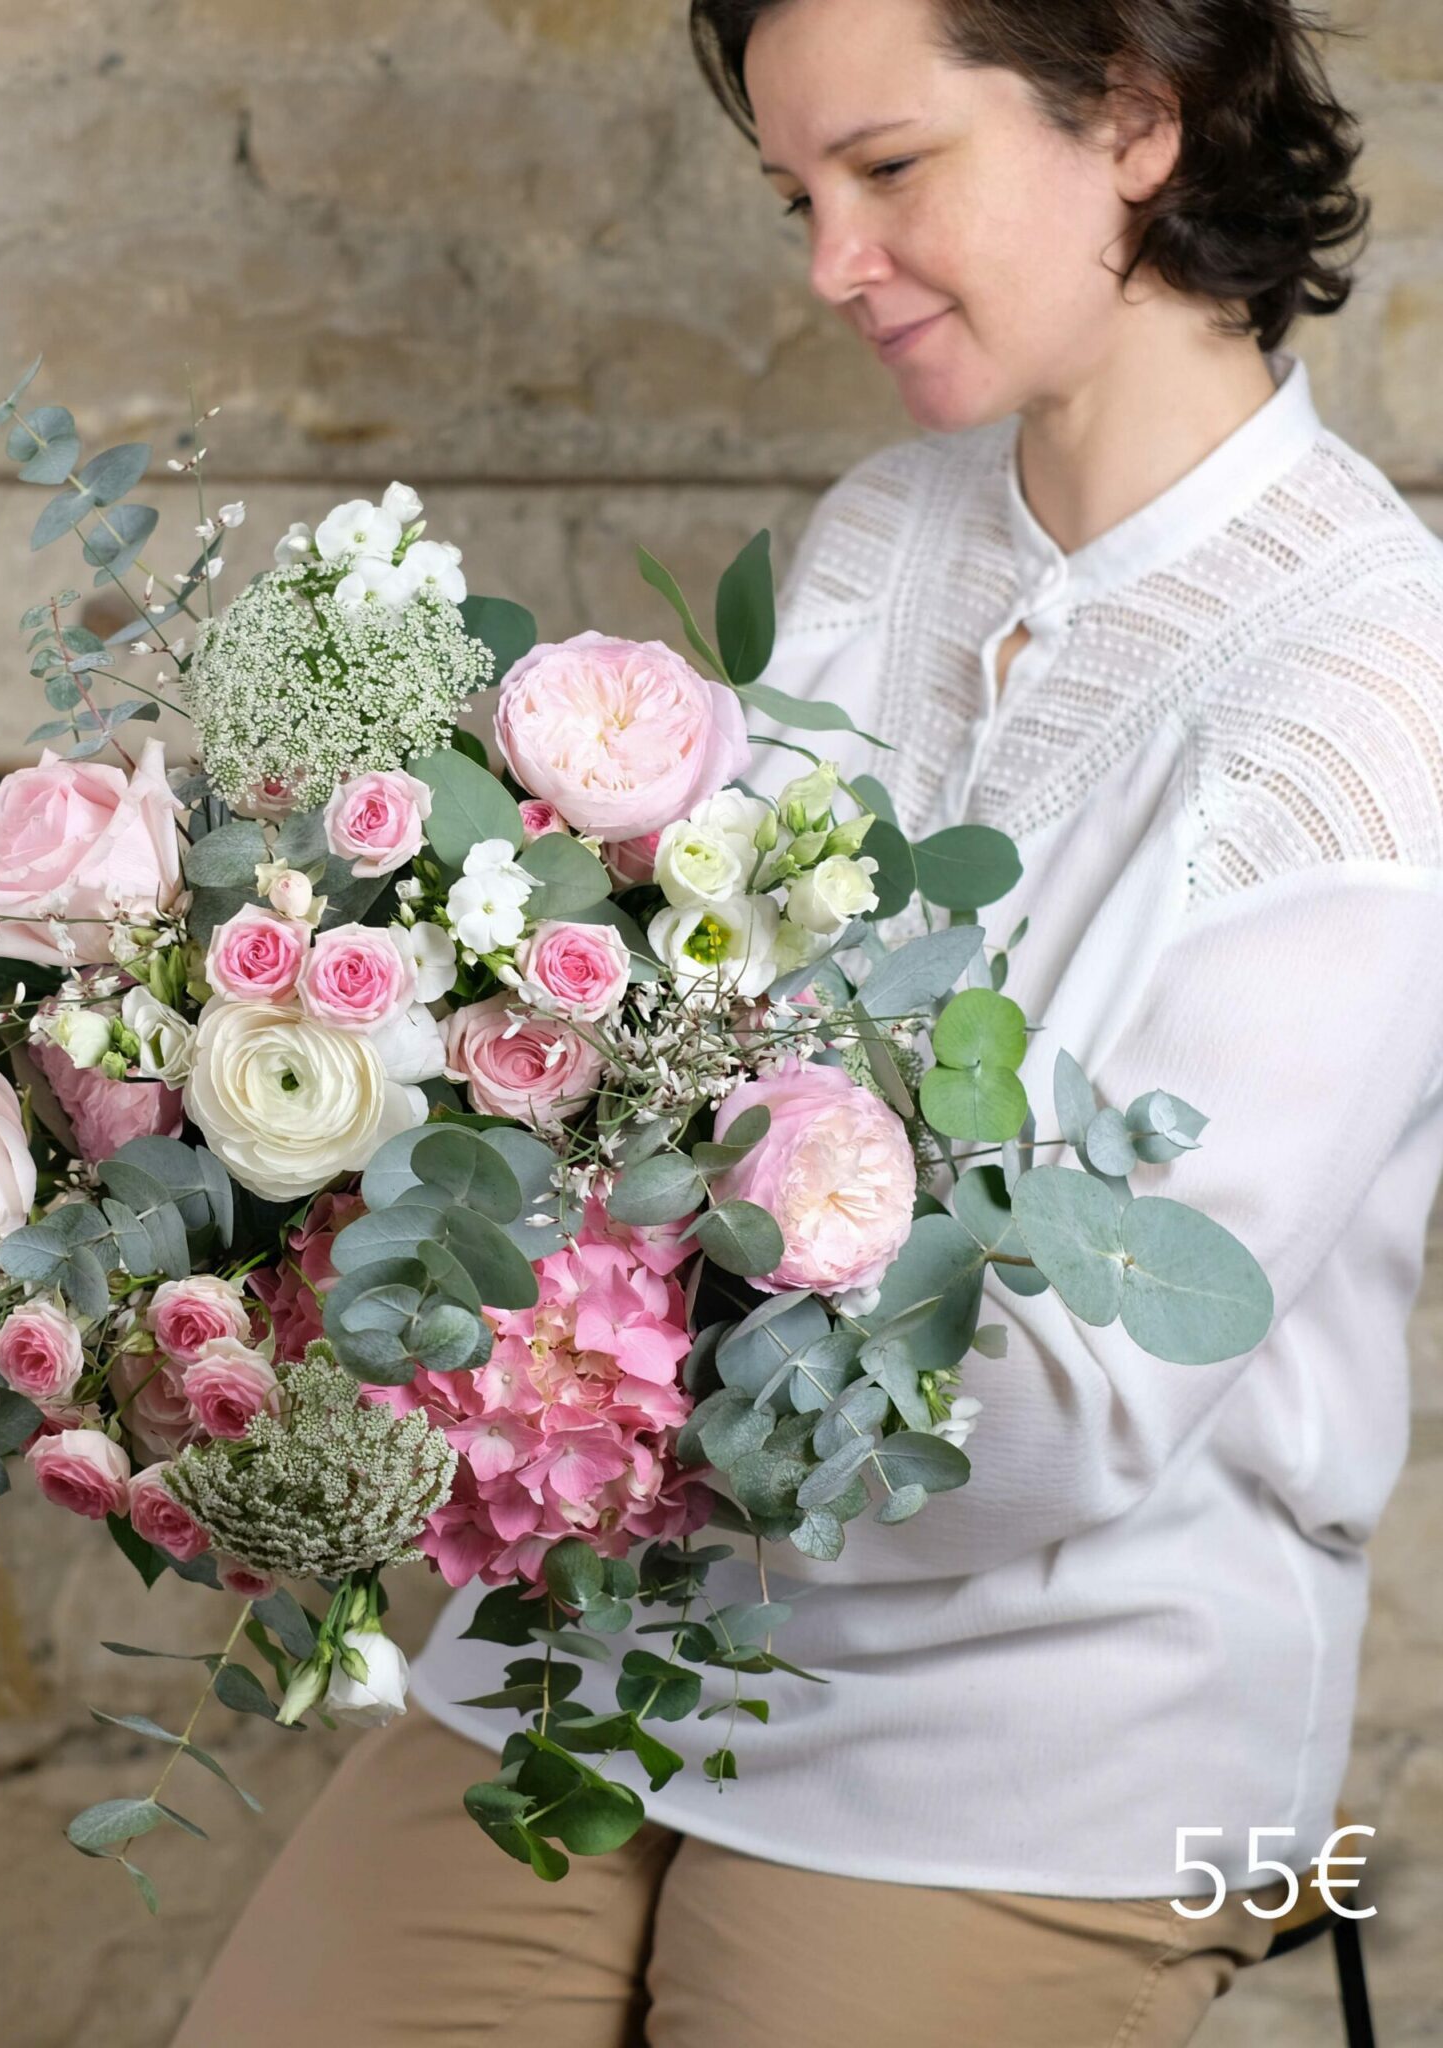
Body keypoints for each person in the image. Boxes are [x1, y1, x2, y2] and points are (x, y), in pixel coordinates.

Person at [172, 0, 1443, 2039]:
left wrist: (528, 1352)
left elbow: (1052, 1410)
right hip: (602, 1644)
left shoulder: (1372, 695)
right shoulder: (880, 537)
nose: (825, 264)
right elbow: (607, 1055)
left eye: (888, 170)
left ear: (1132, 115)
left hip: (1054, 1739)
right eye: (795, 192)